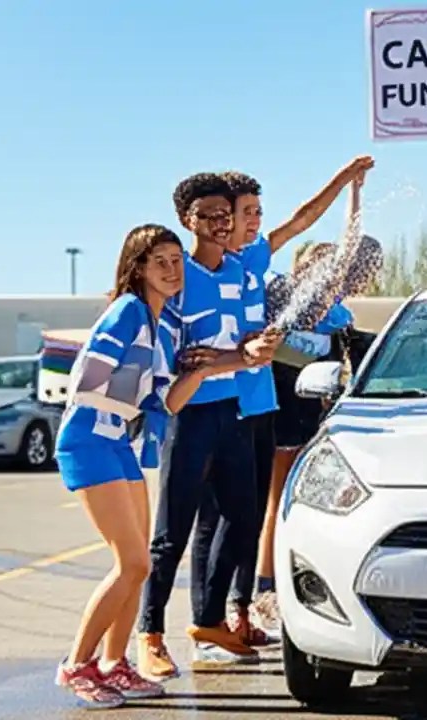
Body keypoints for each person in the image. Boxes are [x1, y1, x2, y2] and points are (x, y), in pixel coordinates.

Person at [53, 224, 243, 708]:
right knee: (133, 562)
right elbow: (87, 381)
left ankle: (116, 665)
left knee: (138, 568)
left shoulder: (162, 324)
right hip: (90, 439)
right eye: (158, 260)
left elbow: (169, 402)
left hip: (118, 443)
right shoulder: (127, 312)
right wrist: (144, 395)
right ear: (137, 268)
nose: (172, 268)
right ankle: (78, 665)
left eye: (176, 259)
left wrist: (204, 369)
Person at [188, 158, 372, 648]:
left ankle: (239, 610)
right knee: (211, 521)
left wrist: (345, 181)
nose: (252, 221)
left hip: (262, 408)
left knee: (244, 518)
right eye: (245, 212)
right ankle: (201, 622)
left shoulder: (257, 266)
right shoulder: (217, 276)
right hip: (218, 408)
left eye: (255, 212)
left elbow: (305, 218)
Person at [136, 174, 282, 679]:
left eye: (227, 215)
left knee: (243, 519)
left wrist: (250, 353)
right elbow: (184, 359)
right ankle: (149, 634)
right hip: (190, 416)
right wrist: (233, 358)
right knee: (171, 533)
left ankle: (208, 622)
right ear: (187, 221)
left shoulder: (241, 269)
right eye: (209, 217)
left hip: (233, 413)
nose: (222, 224)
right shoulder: (179, 277)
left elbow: (235, 350)